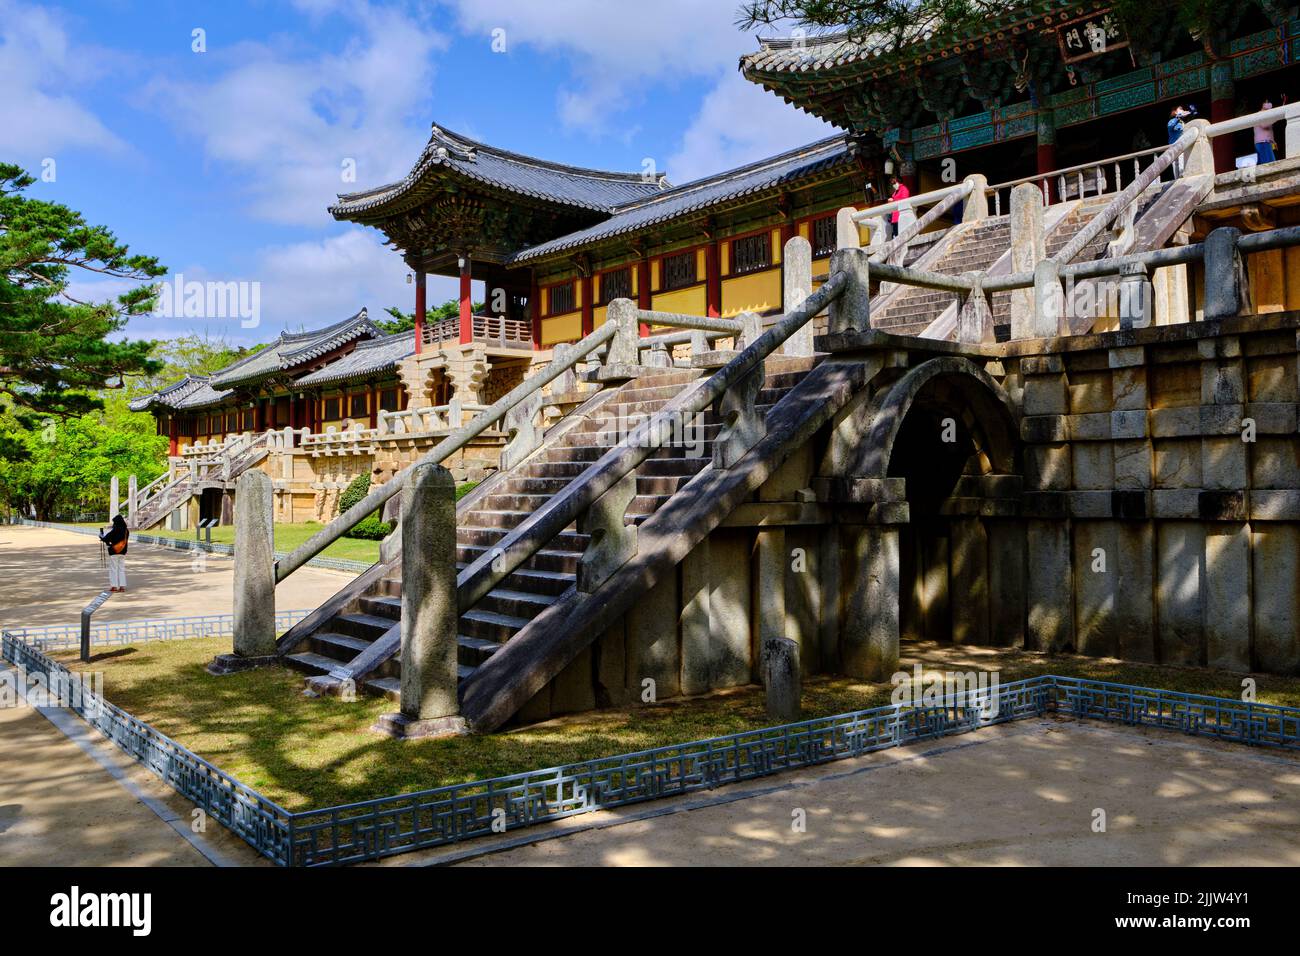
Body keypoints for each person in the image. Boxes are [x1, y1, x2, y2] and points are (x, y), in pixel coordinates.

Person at [99, 514, 129, 593]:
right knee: (121, 569)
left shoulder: (115, 530)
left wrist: (101, 536)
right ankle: (122, 587)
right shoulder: (126, 530)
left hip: (114, 552)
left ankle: (114, 586)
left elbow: (106, 538)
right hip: (123, 552)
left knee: (113, 569)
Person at [1167, 105, 1196, 177]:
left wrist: (1192, 113)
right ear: (1175, 112)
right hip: (1174, 145)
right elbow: (1170, 126)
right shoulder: (1172, 121)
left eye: (1182, 109)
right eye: (1180, 109)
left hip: (1183, 145)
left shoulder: (1182, 122)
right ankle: (1177, 179)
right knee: (1176, 165)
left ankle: (1182, 176)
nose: (1182, 110)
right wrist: (1177, 117)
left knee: (1183, 163)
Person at [887, 175, 910, 240]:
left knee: (900, 235)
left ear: (898, 182)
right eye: (892, 183)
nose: (893, 184)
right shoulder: (895, 192)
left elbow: (905, 199)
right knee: (896, 235)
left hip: (900, 215)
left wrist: (893, 200)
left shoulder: (904, 189)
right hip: (894, 217)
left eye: (894, 183)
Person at [1255, 100, 1278, 166]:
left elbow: (1269, 131)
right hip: (1262, 142)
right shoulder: (1259, 114)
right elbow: (1264, 125)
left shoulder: (1266, 115)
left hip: (1267, 142)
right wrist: (1274, 119)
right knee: (1269, 164)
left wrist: (1273, 141)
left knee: (1270, 162)